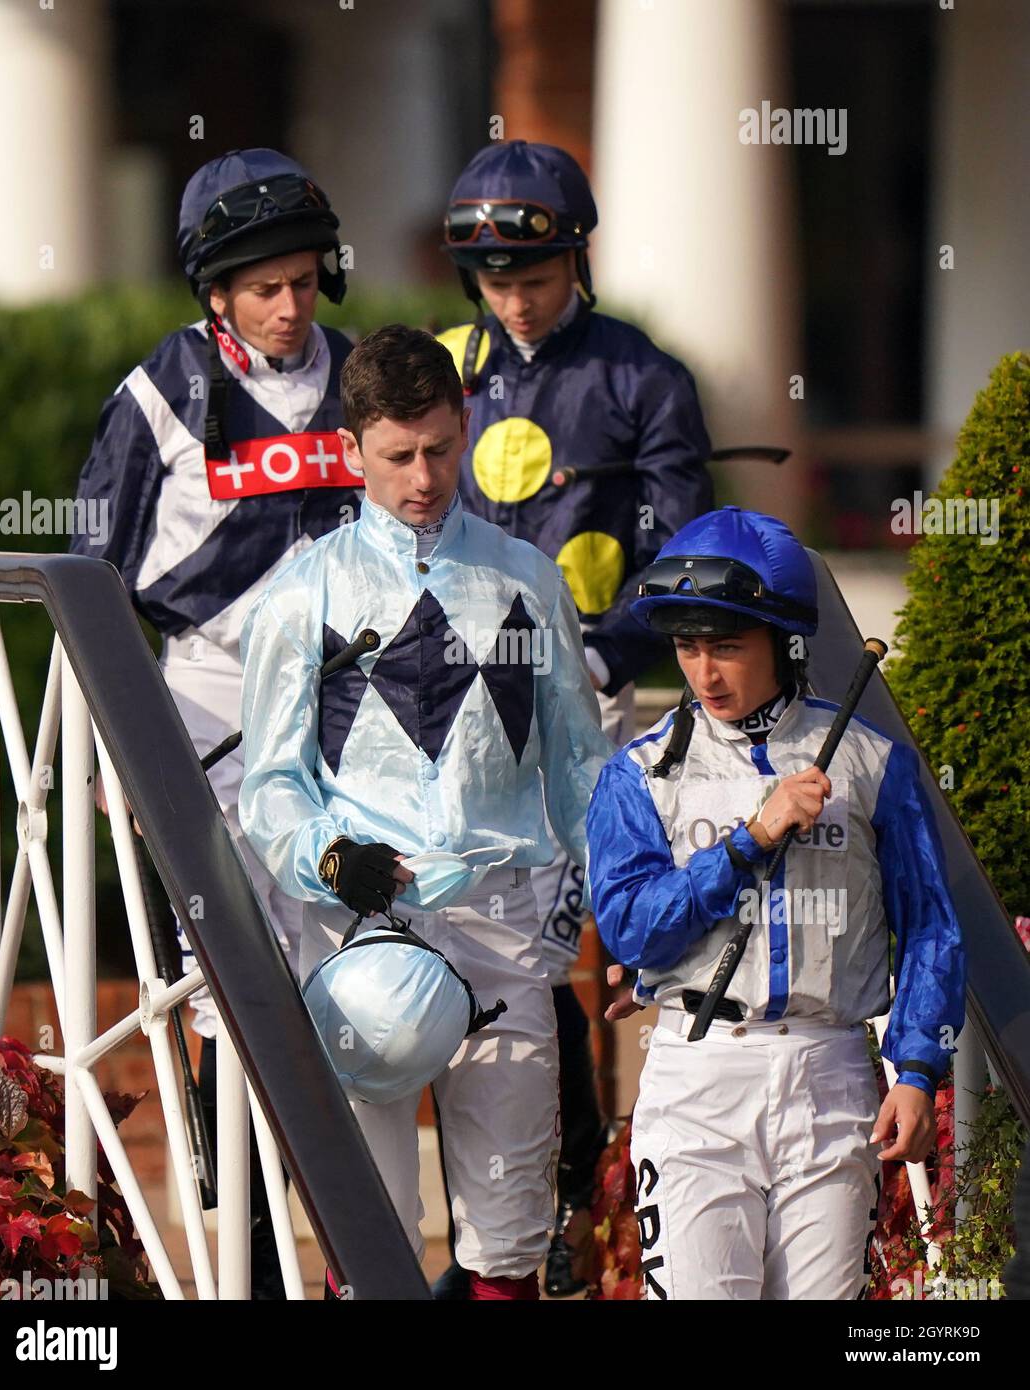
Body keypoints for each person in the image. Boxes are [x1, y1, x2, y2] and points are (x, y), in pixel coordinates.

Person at [237, 325, 614, 1300]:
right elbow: (270, 783)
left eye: (440, 448)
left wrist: (603, 908)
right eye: (398, 455)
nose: (422, 477)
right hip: (364, 931)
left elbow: (579, 769)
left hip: (504, 922)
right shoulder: (301, 589)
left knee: (507, 1231)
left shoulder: (529, 579)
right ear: (352, 445)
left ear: (466, 425)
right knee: (370, 1233)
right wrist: (331, 857)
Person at [71, 147, 359, 1297]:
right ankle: (243, 1253)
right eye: (262, 288)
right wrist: (111, 742)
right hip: (204, 723)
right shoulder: (154, 393)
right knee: (227, 990)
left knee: (357, 985)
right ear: (214, 294)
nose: (288, 307)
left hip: (353, 730)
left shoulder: (370, 376)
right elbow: (86, 572)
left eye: (301, 280)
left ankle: (350, 1254)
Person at [435, 138, 715, 1294]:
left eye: (534, 276)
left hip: (587, 701)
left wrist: (601, 650)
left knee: (561, 949)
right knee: (447, 945)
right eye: (496, 280)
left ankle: (569, 1199)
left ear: (575, 259)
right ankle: (483, 1227)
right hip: (444, 703)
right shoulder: (440, 364)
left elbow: (681, 552)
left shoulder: (645, 379)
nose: (513, 297)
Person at [586, 505, 966, 1300]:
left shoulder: (872, 762)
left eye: (727, 647)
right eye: (687, 648)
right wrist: (746, 842)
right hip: (696, 1080)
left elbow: (929, 923)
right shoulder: (637, 773)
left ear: (783, 644)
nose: (704, 673)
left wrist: (917, 1069)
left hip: (831, 1078)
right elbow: (629, 930)